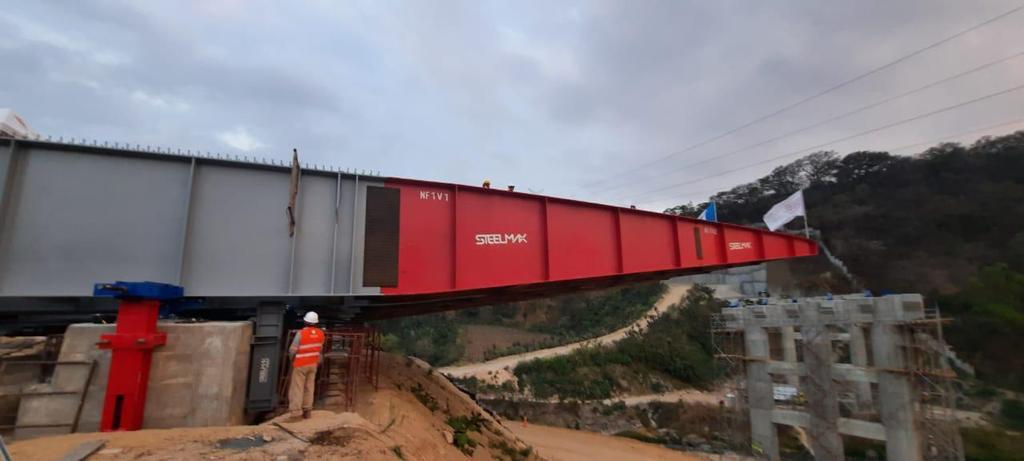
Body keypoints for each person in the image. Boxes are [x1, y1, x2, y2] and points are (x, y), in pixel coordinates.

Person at [288, 311, 324, 420]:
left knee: (297, 388)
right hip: (313, 364)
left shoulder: (301, 333)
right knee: (309, 387)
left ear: (305, 321)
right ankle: (307, 411)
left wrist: (292, 361)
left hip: (300, 364)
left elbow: (292, 350)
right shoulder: (321, 334)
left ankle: (296, 413)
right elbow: (320, 350)